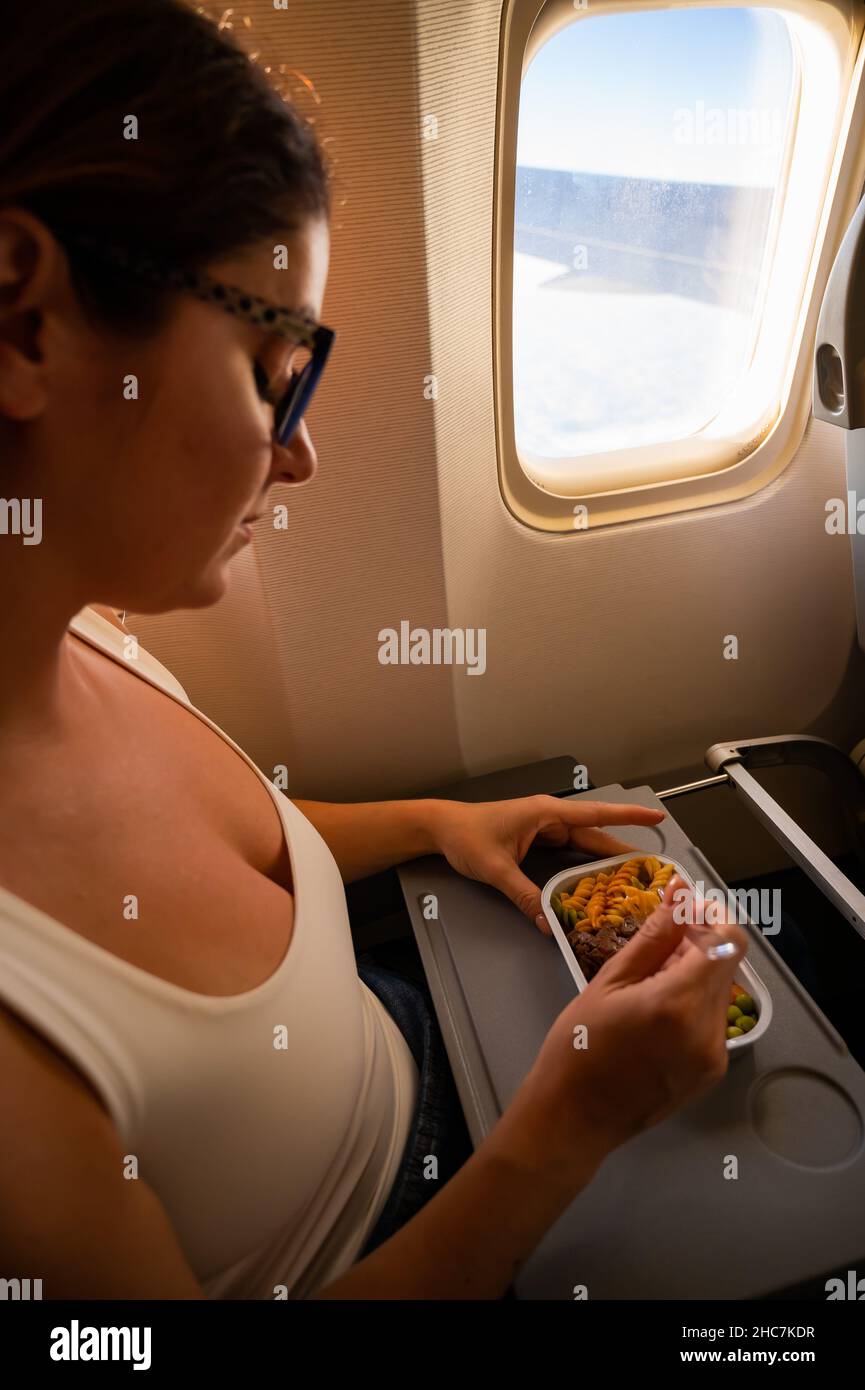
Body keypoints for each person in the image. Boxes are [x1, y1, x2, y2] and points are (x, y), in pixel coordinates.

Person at [0, 0, 747, 1300]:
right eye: (271, 369)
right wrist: (564, 1123)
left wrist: (433, 820)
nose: (299, 452)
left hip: (417, 1044)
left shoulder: (90, 635)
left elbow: (229, 858)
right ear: (26, 324)